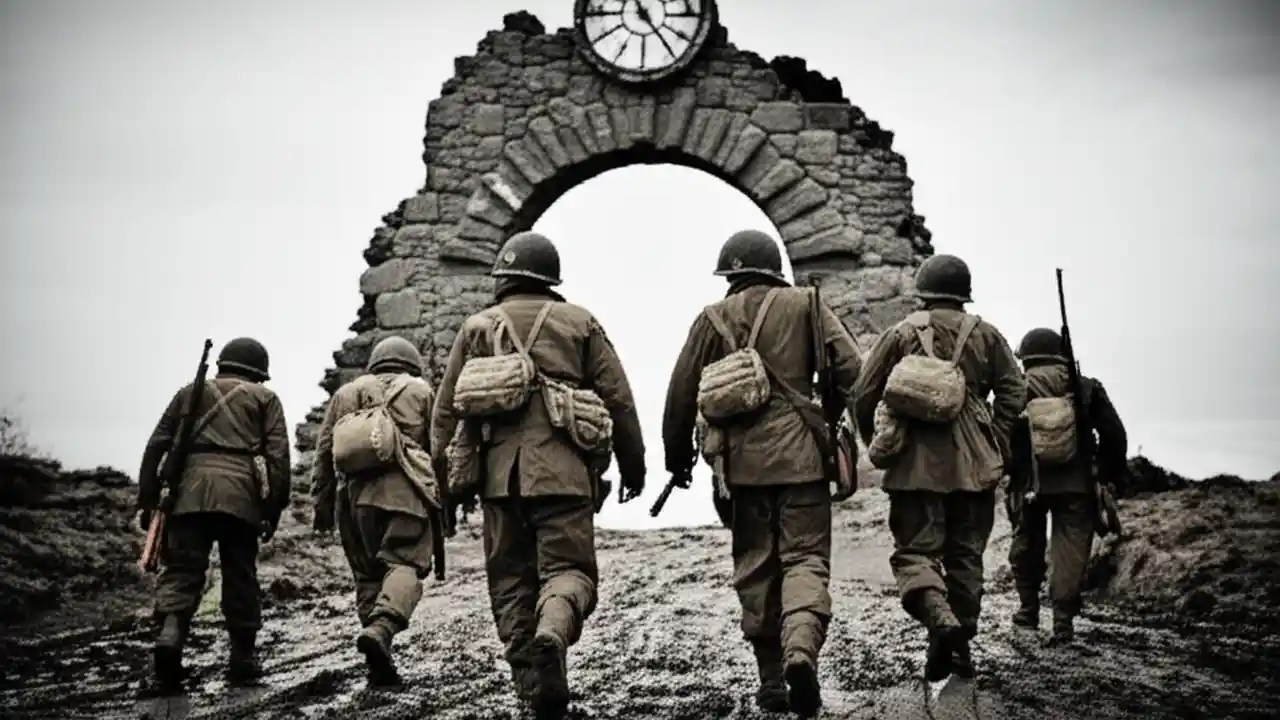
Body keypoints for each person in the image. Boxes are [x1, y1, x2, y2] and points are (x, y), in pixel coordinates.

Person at [431, 230, 646, 718]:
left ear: (503, 279)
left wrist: (443, 490)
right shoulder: (579, 322)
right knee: (570, 572)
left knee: (510, 583)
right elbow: (618, 399)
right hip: (565, 476)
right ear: (551, 278)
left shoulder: (477, 327)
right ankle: (552, 632)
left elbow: (445, 415)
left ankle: (532, 686)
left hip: (499, 481)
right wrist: (634, 465)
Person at [662, 229, 863, 717]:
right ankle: (801, 652)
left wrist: (677, 458)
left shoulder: (712, 318)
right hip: (804, 462)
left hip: (741, 469)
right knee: (806, 561)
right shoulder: (808, 305)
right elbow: (853, 371)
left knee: (756, 569)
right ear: (775, 268)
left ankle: (771, 680)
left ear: (729, 274)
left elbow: (681, 394)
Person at [853, 254, 1026, 681]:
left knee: (915, 554)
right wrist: (994, 438)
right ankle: (959, 646)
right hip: (974, 467)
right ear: (963, 294)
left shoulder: (900, 333)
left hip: (913, 468)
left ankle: (940, 621)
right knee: (966, 558)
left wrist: (879, 441)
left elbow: (863, 393)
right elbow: (1013, 391)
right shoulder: (986, 334)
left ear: (923, 292)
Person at [137, 337, 291, 689]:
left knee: (182, 571)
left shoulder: (188, 392)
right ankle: (243, 659)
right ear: (259, 372)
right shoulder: (265, 398)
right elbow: (278, 458)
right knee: (240, 576)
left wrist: (148, 500)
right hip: (241, 500)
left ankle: (170, 636)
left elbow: (156, 444)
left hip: (188, 497)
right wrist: (273, 509)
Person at [310, 335, 441, 686]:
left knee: (368, 576)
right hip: (404, 494)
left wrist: (321, 504)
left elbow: (324, 453)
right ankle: (382, 629)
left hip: (352, 500)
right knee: (405, 563)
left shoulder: (346, 393)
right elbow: (438, 447)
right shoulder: (420, 392)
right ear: (412, 364)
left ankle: (377, 663)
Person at [1008, 327, 1127, 643]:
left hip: (1028, 484)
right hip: (1077, 484)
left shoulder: (1016, 387)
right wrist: (1107, 475)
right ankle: (1062, 622)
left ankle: (1027, 612)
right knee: (1070, 553)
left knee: (1026, 546)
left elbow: (1000, 432)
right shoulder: (1086, 387)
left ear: (1026, 358)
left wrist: (1011, 471)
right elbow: (1115, 435)